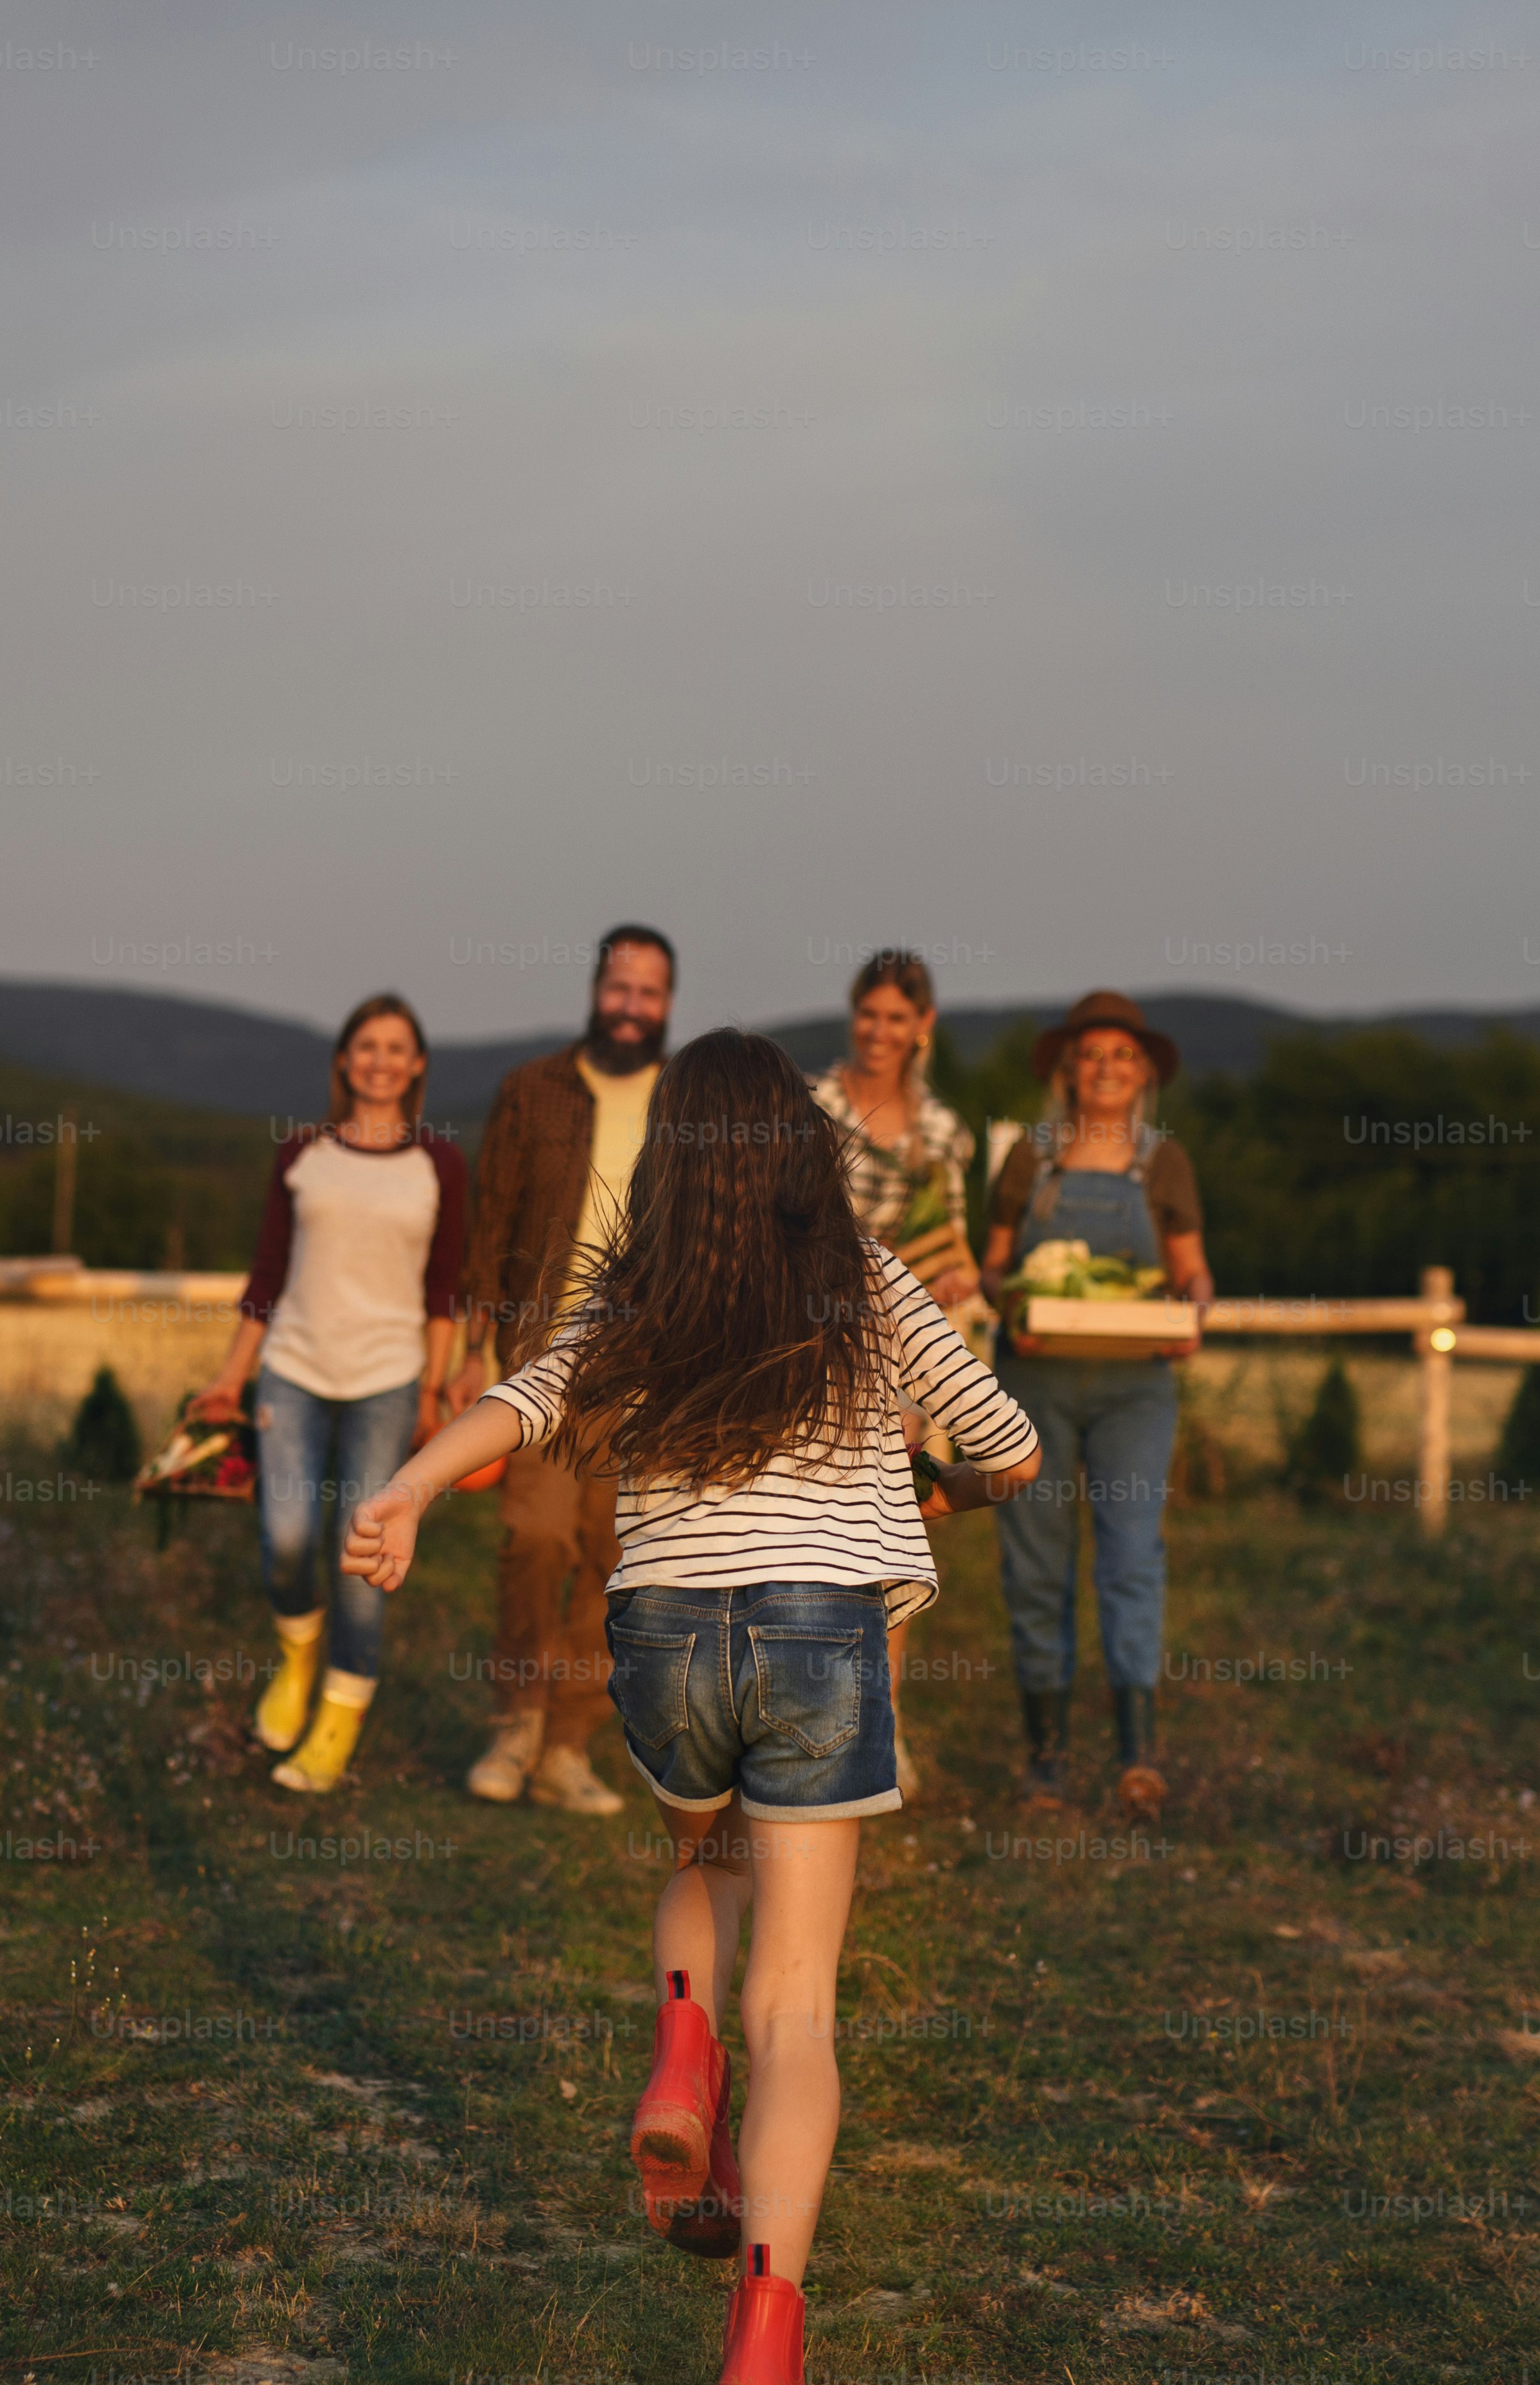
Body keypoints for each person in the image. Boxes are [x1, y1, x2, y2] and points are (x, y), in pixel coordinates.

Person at [347, 1029, 1040, 2385]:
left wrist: (408, 1489)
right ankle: (768, 2329)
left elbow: (523, 1396)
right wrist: (931, 1494)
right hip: (820, 1635)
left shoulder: (641, 1291)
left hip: (663, 1633)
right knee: (796, 2006)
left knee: (700, 1859)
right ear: (802, 1150)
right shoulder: (869, 1280)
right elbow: (1007, 1445)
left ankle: (678, 2053)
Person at [190, 994, 466, 1793]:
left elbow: (443, 1288)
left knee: (361, 1553)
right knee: (283, 1537)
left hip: (388, 1377)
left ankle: (340, 1711)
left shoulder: (439, 1163)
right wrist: (229, 1376)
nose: (380, 1060)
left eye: (397, 1048)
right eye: (366, 1045)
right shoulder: (301, 1153)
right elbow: (267, 1273)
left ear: (417, 1066)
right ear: (344, 1060)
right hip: (294, 1368)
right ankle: (297, 1653)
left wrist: (434, 1389)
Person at [447, 925, 675, 1814]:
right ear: (596, 991)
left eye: (649, 993)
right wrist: (472, 1354)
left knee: (618, 1559)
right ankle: (515, 1721)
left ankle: (569, 1744)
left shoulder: (686, 1102)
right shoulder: (532, 1091)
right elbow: (491, 1218)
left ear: (667, 1004)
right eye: (620, 989)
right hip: (542, 1354)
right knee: (535, 1539)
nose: (631, 1007)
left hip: (648, 1368)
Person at [978, 991, 1214, 1814]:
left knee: (1131, 1559)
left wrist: (1193, 1312)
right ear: (1067, 1070)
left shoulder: (1164, 1163)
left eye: (1122, 1054)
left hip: (1135, 1388)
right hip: (1033, 1382)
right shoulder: (1030, 1160)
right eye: (1091, 1053)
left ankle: (1136, 1756)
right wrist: (1014, 1305)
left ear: (1143, 1069)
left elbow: (1191, 1268)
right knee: (1037, 1566)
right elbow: (996, 1264)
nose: (1106, 1067)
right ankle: (1045, 1763)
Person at [806, 948, 979, 1801]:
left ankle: (884, 1726)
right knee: (807, 1537)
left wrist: (951, 1281)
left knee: (892, 1536)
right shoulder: (815, 1107)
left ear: (924, 1028)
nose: (879, 1032)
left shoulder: (946, 1134)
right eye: (867, 1015)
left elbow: (957, 1246)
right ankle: (801, 1714)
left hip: (902, 1358)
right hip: (815, 1347)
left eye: (896, 1019)